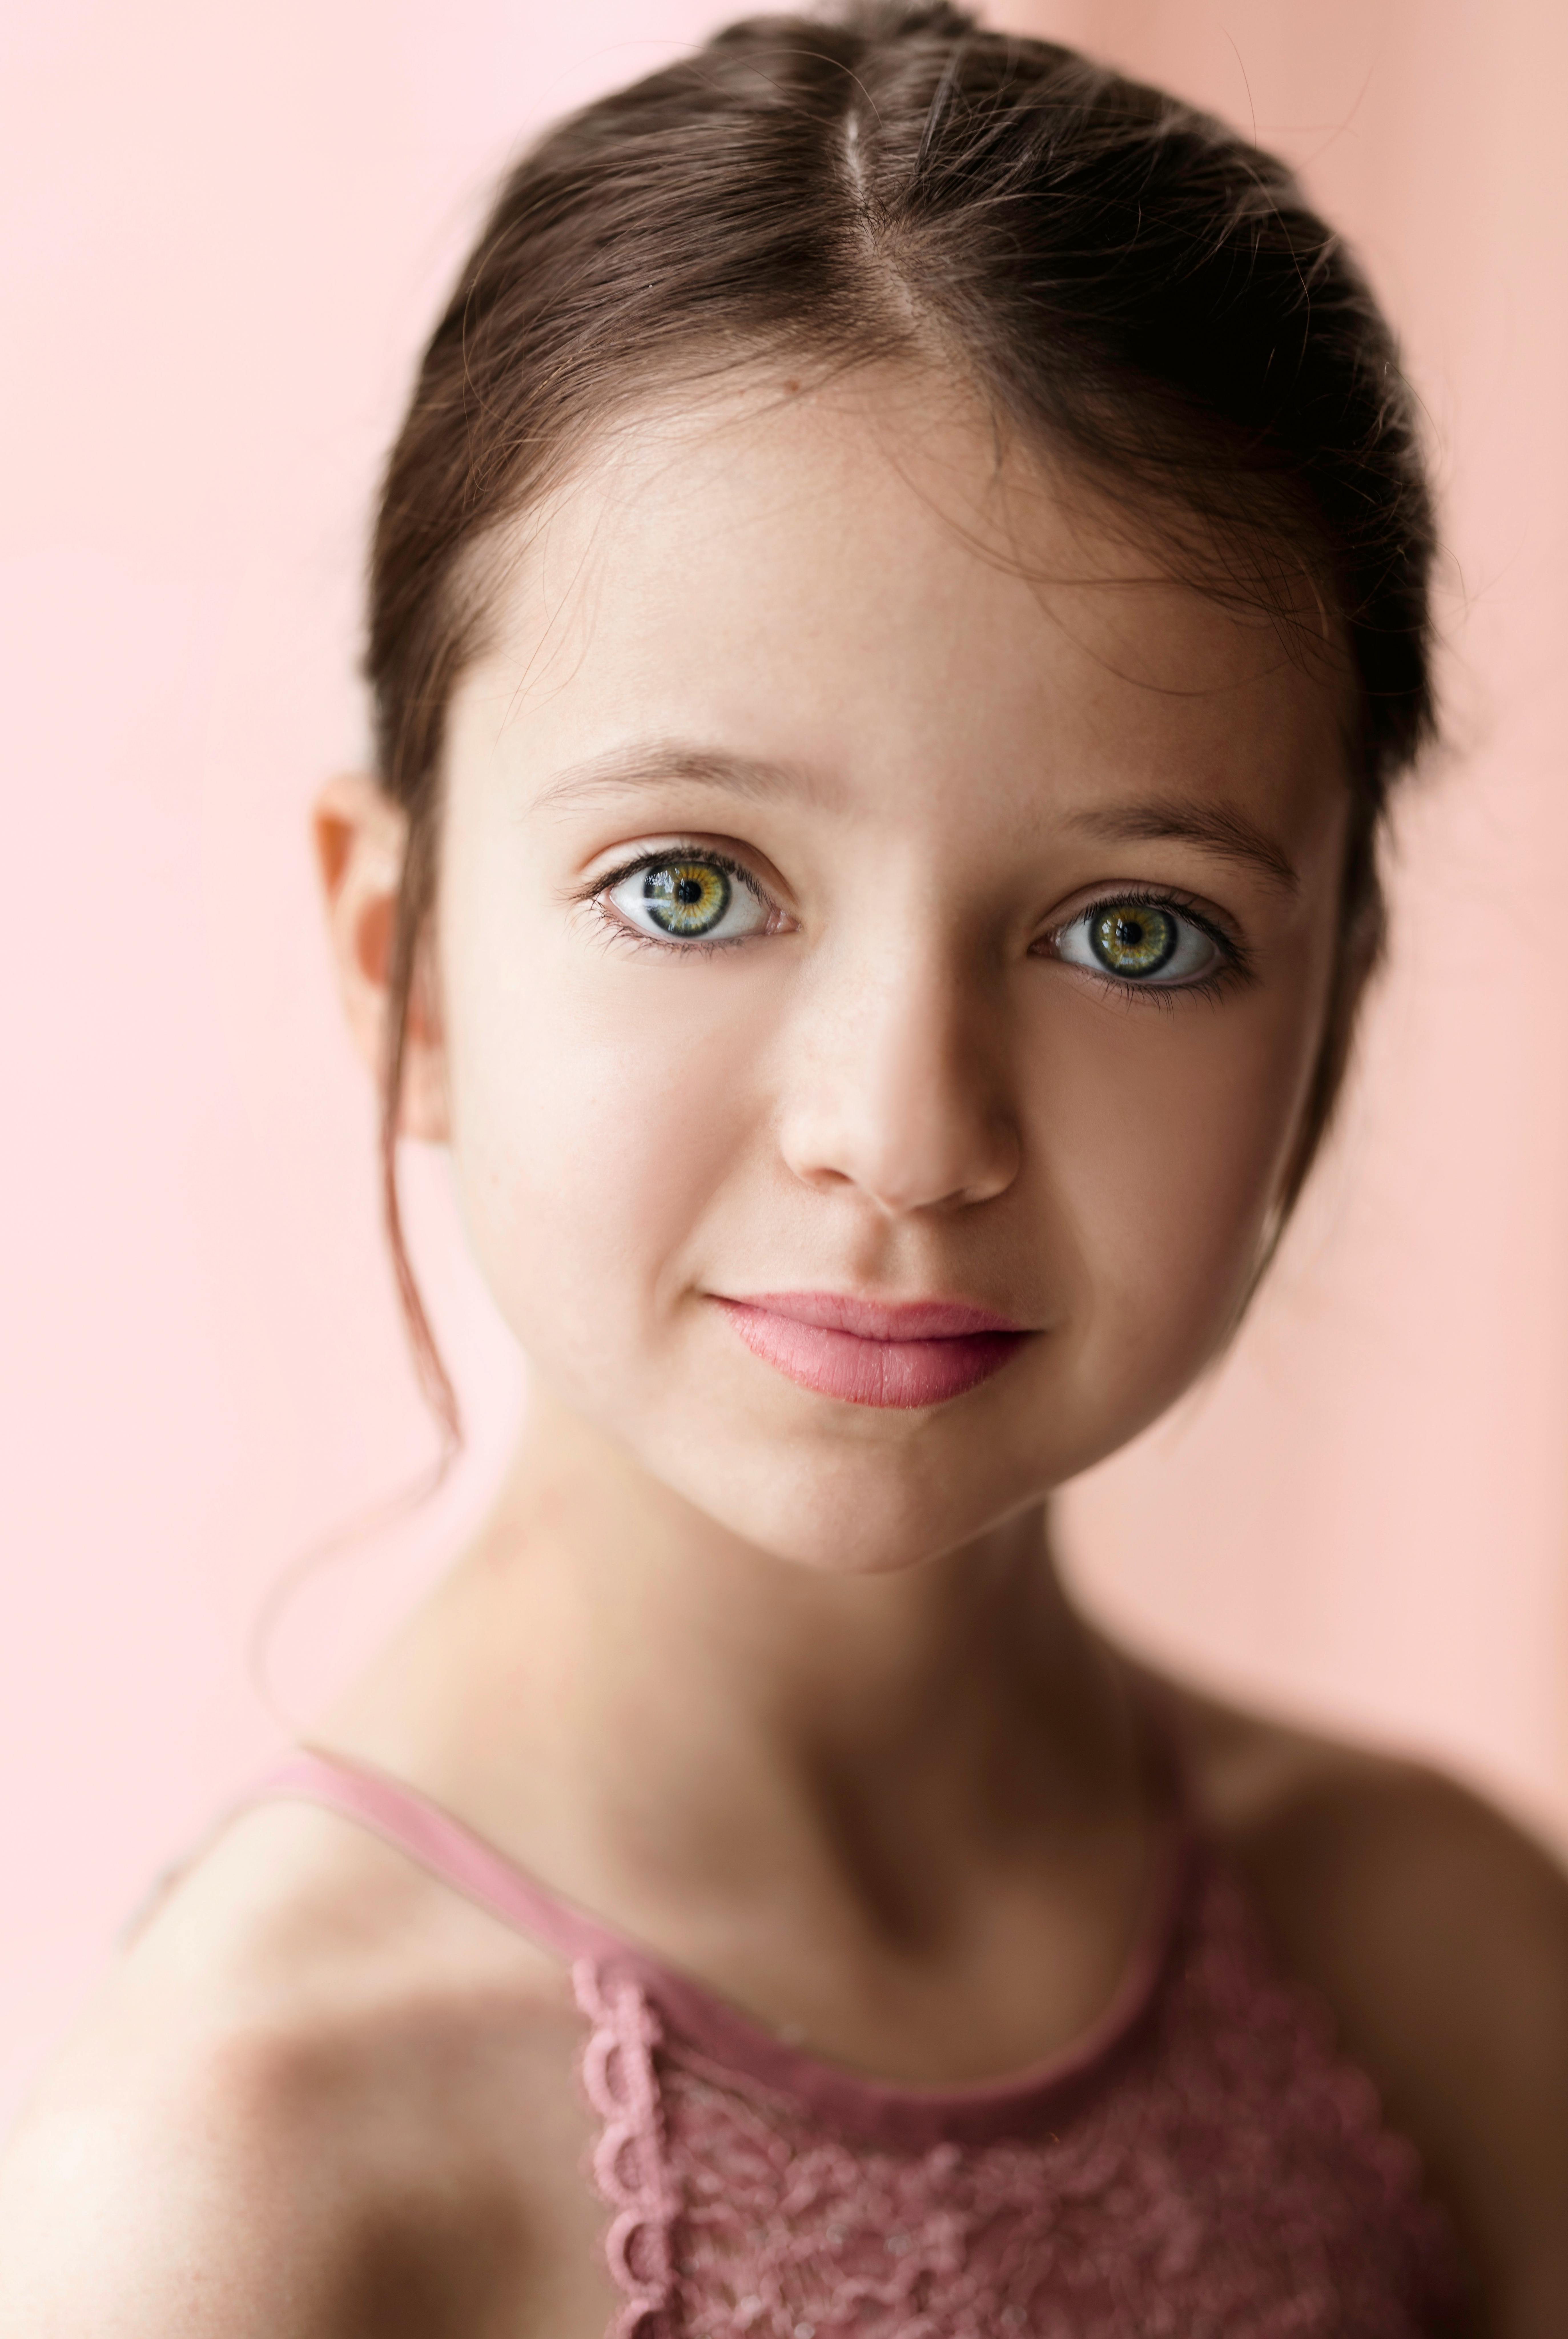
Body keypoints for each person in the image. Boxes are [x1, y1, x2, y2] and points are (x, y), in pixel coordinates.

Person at [3, 4, 1565, 2330]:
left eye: (1136, 931)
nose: (910, 1132)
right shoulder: (249, 2183)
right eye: (694, 886)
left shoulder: (1449, 1950)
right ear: (400, 959)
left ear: (1332, 1001)